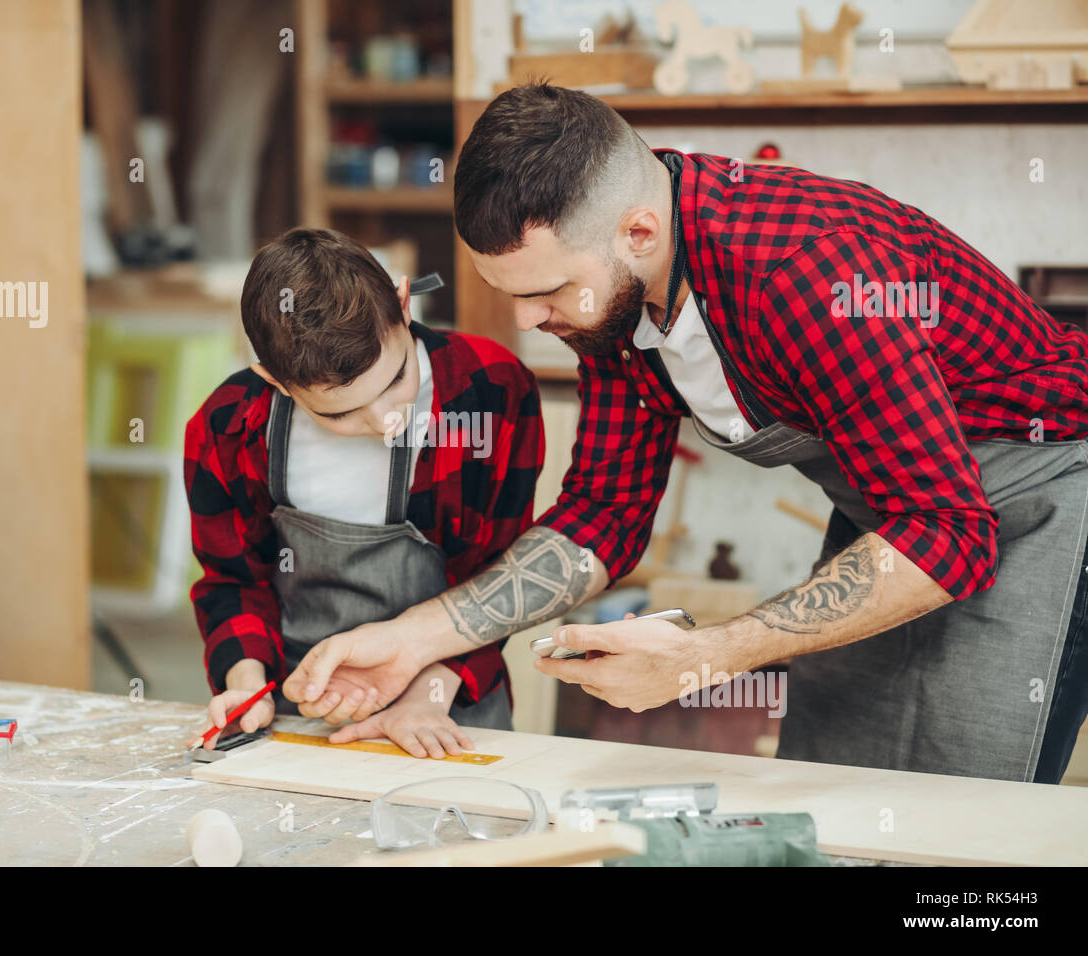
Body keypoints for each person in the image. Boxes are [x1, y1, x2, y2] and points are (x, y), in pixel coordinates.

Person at [283, 83, 1088, 783]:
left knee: (963, 813)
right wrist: (412, 638)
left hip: (1045, 494)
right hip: (898, 512)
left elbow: (950, 533)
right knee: (838, 788)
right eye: (512, 294)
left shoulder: (808, 273)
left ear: (639, 233)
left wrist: (709, 654)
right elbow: (603, 512)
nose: (528, 320)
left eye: (548, 291)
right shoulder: (610, 302)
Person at [184, 227, 543, 758]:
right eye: (342, 413)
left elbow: (501, 579)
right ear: (274, 380)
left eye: (396, 380)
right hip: (300, 709)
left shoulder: (490, 389)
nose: (386, 420)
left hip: (444, 709)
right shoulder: (230, 424)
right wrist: (245, 687)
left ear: (403, 304)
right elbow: (234, 581)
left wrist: (424, 698)